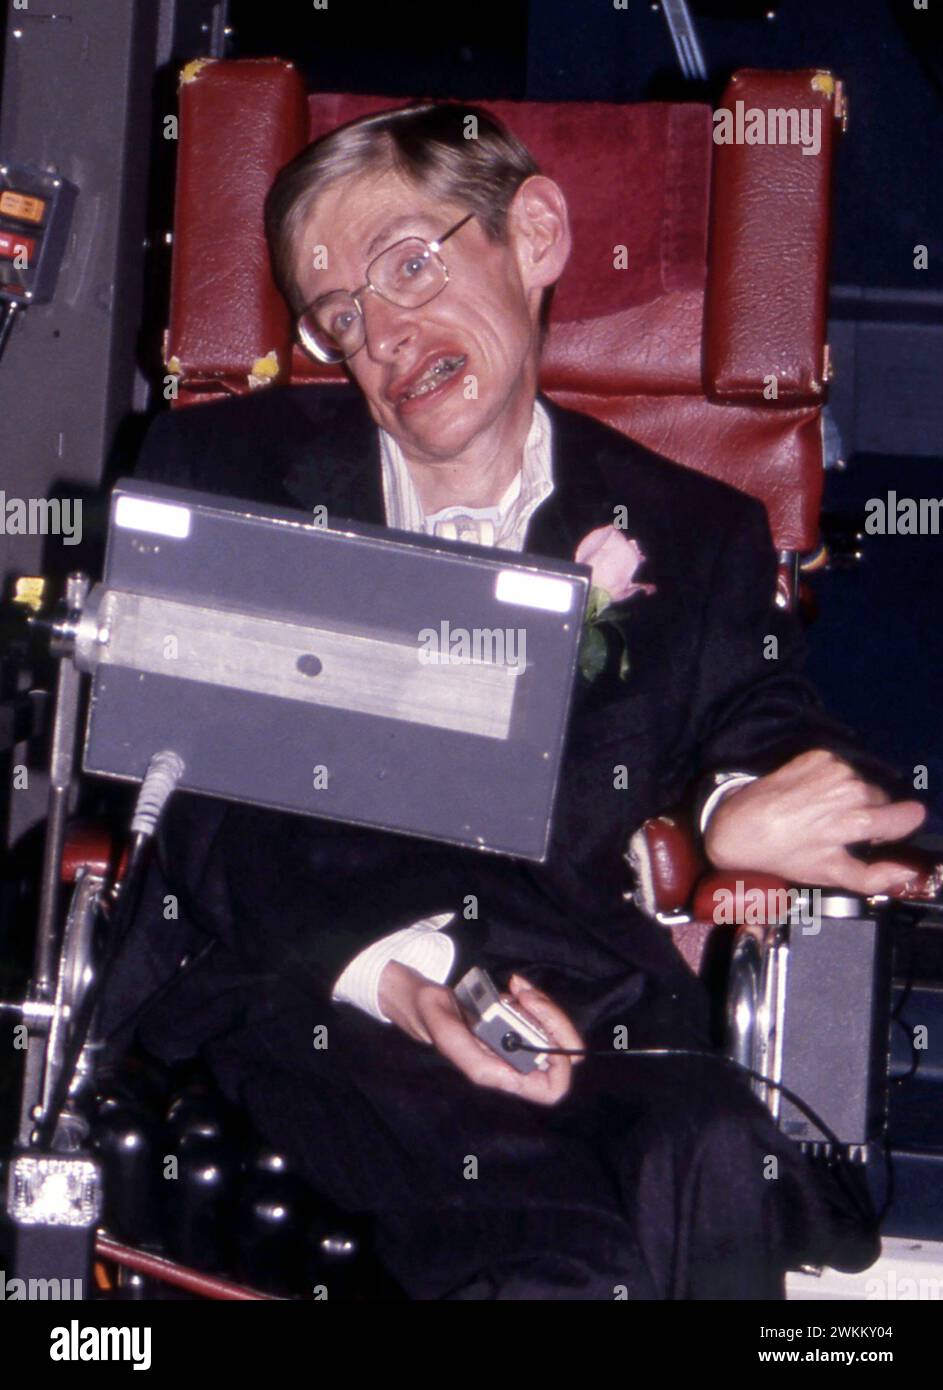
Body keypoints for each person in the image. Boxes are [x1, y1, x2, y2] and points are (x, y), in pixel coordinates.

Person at [100, 102, 926, 1299]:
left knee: (711, 1151)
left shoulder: (695, 530)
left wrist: (740, 807)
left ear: (533, 233)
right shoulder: (219, 469)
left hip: (579, 997)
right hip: (304, 989)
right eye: (339, 314)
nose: (380, 331)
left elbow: (783, 735)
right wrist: (391, 975)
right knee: (550, 1248)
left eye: (410, 263)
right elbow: (184, 799)